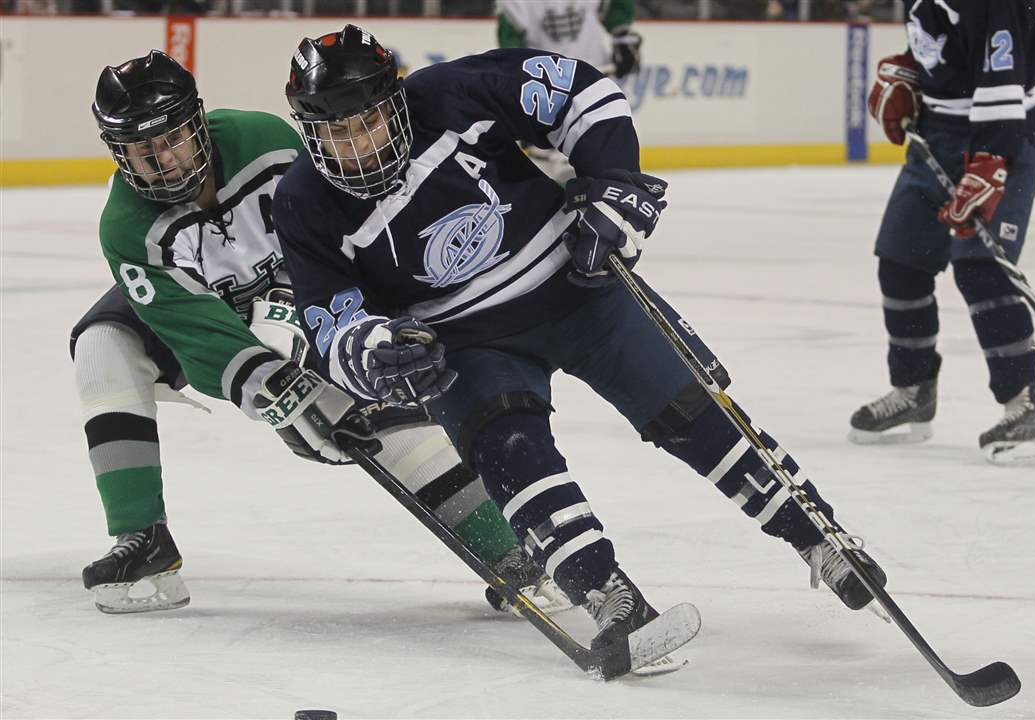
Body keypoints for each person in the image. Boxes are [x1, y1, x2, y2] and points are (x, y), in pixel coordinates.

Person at [272, 24, 888, 653]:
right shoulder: (302, 201)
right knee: (510, 452)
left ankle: (819, 537)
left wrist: (614, 183)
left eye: (366, 123)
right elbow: (328, 318)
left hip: (578, 285)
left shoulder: (449, 93)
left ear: (394, 101)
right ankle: (605, 593)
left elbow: (581, 96)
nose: (355, 147)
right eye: (334, 133)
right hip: (464, 342)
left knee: (693, 414)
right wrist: (372, 349)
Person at [75, 49, 565, 615]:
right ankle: (143, 541)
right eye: (141, 151)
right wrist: (272, 387)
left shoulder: (264, 141)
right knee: (104, 342)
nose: (162, 161)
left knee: (364, 404)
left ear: (198, 121)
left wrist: (335, 350)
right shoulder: (126, 226)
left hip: (308, 292)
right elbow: (191, 327)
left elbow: (338, 230)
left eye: (172, 139)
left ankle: (508, 550)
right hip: (207, 309)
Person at [853, 0, 1035, 465]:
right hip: (938, 133)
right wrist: (908, 69)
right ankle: (913, 389)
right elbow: (942, 48)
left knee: (981, 269)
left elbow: (1003, 87)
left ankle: (1027, 403)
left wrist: (990, 167)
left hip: (1000, 140)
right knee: (901, 263)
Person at [495, 0, 641, 183]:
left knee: (602, 161)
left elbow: (616, 9)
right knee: (547, 168)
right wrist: (521, 82)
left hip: (593, 79)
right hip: (546, 87)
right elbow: (510, 44)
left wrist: (621, 34)